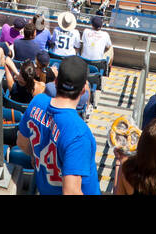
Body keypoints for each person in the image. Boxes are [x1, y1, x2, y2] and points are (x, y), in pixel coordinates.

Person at [16, 56, 100, 194]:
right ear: (83, 90)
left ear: (55, 82)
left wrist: (36, 156)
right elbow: (71, 192)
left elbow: (21, 142)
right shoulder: (79, 134)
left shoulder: (37, 101)